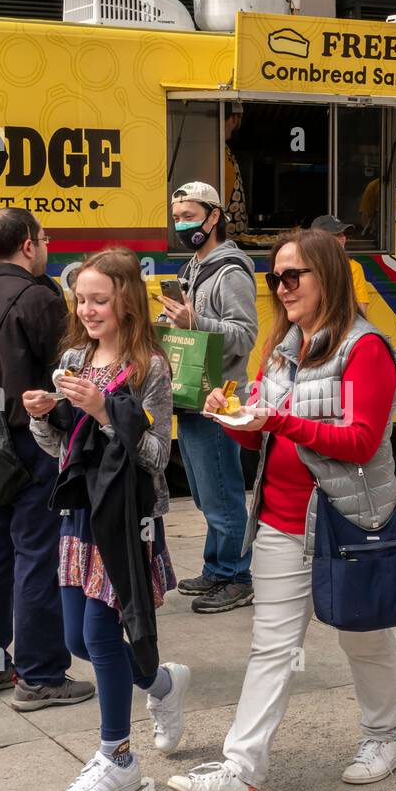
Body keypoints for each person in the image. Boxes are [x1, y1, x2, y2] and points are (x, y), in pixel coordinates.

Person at [167, 228, 396, 791]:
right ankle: (241, 773)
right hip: (279, 522)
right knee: (271, 649)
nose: (280, 289)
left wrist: (280, 421)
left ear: (327, 275)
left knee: (364, 637)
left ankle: (386, 738)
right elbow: (262, 416)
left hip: (348, 522)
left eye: (293, 276)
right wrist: (233, 416)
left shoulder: (366, 348)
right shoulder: (284, 347)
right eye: (275, 278)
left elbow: (360, 441)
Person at [24, 246, 190, 791]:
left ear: (127, 303)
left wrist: (102, 410)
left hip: (126, 519)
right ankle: (162, 685)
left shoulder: (150, 369)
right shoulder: (72, 359)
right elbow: (58, 453)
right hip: (78, 513)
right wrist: (43, 416)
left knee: (98, 634)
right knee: (76, 641)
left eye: (100, 299)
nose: (88, 309)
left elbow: (155, 454)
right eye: (82, 299)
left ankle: (117, 756)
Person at [0, 207, 95, 710]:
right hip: (32, 441)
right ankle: (39, 674)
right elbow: (65, 369)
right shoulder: (39, 297)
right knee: (38, 553)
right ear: (29, 245)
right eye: (45, 238)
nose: (48, 246)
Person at [158, 181, 259, 614]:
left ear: (214, 216)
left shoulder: (231, 271)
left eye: (190, 215)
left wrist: (194, 319)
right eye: (177, 216)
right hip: (194, 396)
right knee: (204, 493)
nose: (183, 224)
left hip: (221, 398)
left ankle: (237, 576)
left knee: (222, 493)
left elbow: (245, 335)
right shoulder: (193, 268)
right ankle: (218, 567)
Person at [311, 214, 371, 315]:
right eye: (337, 234)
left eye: (343, 234)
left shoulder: (353, 267)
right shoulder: (303, 265)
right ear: (319, 239)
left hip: (343, 326)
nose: (343, 238)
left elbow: (361, 308)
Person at [223, 102, 247, 242]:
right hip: (225, 235)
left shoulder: (223, 148)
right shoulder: (217, 149)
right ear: (234, 118)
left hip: (234, 234)